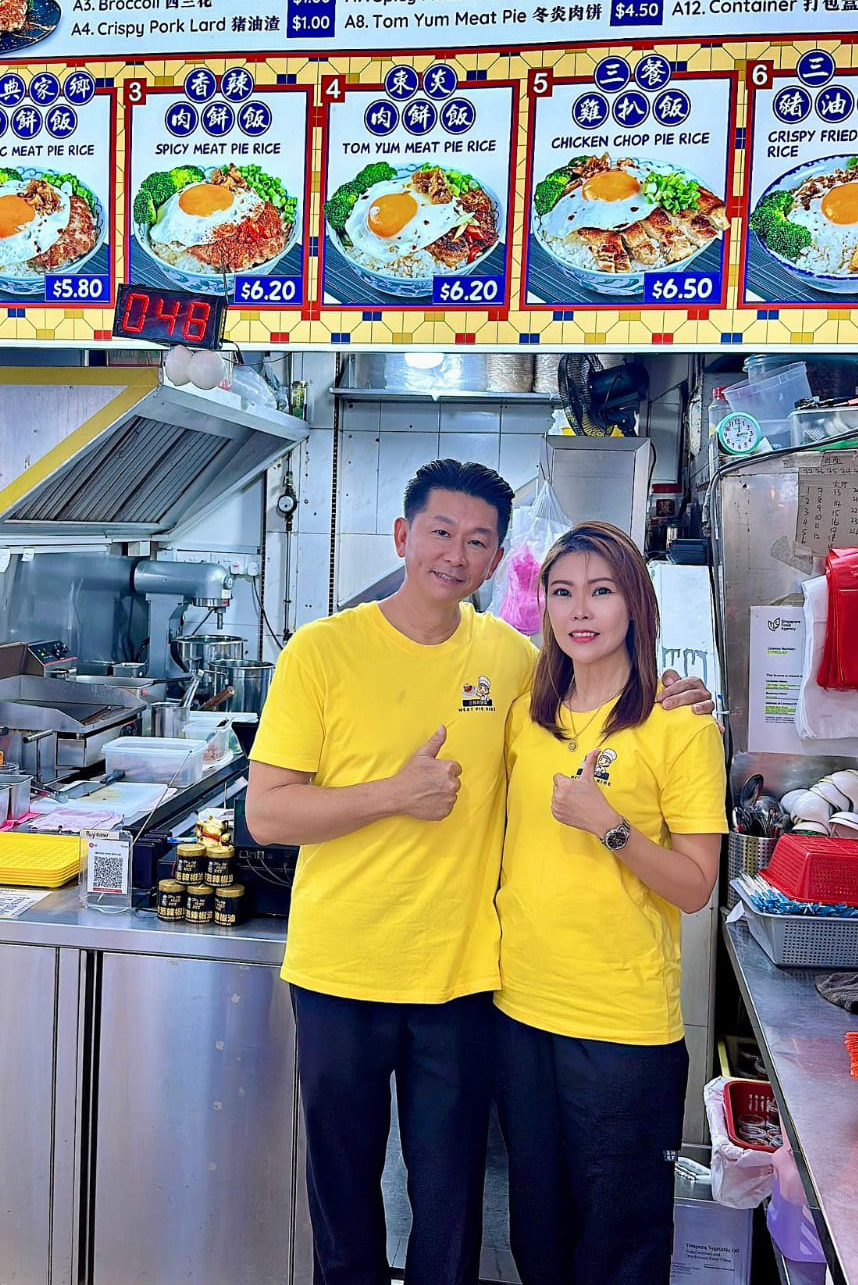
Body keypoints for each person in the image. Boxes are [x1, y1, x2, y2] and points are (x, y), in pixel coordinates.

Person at [246, 461, 715, 1285]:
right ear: (403, 537)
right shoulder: (320, 652)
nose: (455, 556)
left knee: (452, 1206)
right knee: (344, 1198)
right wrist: (395, 794)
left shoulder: (513, 662)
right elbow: (267, 815)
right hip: (339, 970)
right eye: (440, 534)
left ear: (498, 562)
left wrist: (680, 690)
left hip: (463, 979)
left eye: (477, 542)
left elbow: (605, 693)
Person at [494, 521, 727, 1285]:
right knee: (537, 1224)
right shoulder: (527, 716)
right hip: (521, 1009)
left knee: (620, 1240)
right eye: (562, 592)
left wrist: (612, 828)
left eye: (602, 590)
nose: (580, 610)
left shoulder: (680, 725)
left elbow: (695, 889)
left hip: (623, 1027)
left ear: (636, 604)